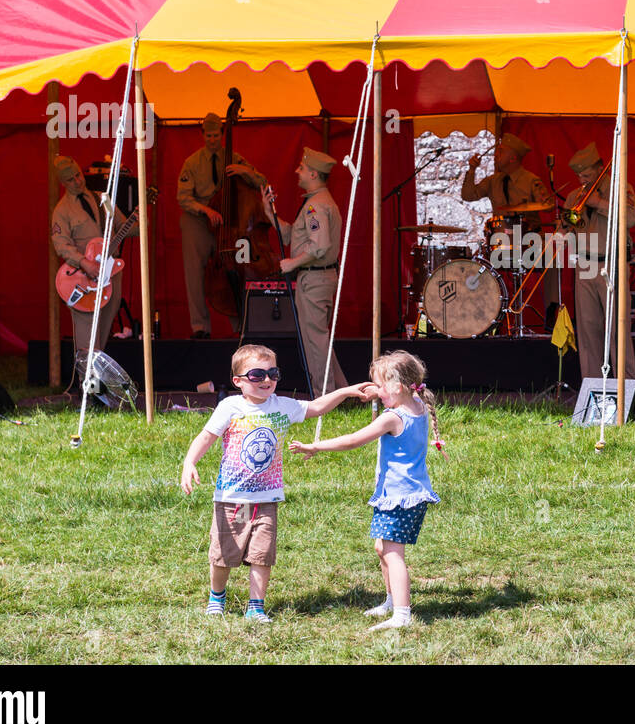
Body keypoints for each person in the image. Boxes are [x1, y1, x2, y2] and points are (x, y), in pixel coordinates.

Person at [180, 343, 374, 622]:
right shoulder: (230, 407)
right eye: (257, 375)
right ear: (238, 381)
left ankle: (255, 607)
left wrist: (344, 390)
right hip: (231, 498)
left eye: (273, 373)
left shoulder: (282, 406)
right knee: (223, 555)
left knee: (262, 555)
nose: (267, 380)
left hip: (267, 499)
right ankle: (217, 597)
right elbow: (206, 437)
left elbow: (317, 408)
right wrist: (189, 463)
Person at [291, 350, 442, 632]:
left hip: (400, 496)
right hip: (407, 493)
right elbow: (398, 391)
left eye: (381, 386)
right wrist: (379, 390)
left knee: (393, 553)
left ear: (398, 387)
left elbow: (352, 440)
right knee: (381, 547)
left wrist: (315, 446)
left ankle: (402, 613)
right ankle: (391, 599)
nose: (377, 391)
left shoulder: (392, 418)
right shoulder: (417, 403)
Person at [262, 147, 346, 393]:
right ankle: (341, 391)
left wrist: (293, 263)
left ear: (313, 174)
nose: (297, 171)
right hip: (319, 277)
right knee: (320, 340)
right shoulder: (316, 203)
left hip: (314, 279)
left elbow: (319, 246)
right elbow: (293, 235)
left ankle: (324, 397)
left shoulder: (315, 207)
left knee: (315, 342)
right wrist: (271, 213)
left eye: (301, 168)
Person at [177, 111, 268, 338]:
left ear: (222, 134)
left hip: (228, 225)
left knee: (235, 268)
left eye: (216, 135)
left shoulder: (235, 158)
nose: (212, 140)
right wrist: (206, 210)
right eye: (208, 135)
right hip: (200, 219)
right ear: (202, 135)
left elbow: (262, 181)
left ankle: (241, 325)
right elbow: (183, 197)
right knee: (195, 271)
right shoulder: (192, 162)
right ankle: (200, 327)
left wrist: (245, 171)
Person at [557, 143, 635, 380]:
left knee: (617, 328)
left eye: (587, 175)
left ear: (601, 168)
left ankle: (626, 384)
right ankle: (591, 384)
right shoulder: (574, 195)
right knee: (588, 328)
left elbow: (631, 217)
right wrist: (562, 228)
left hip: (612, 263)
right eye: (579, 176)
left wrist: (598, 204)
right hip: (585, 264)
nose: (583, 180)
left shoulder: (620, 187)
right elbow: (564, 231)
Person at [462, 132, 558, 323]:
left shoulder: (531, 181)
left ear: (513, 157)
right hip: (500, 242)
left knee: (552, 265)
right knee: (478, 268)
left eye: (501, 151)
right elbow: (468, 195)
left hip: (528, 240)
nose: (496, 155)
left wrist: (540, 202)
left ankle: (551, 314)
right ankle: (485, 318)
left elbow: (547, 204)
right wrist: (471, 170)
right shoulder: (493, 181)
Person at [51, 156, 137, 355]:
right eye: (71, 180)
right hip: (83, 276)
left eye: (78, 175)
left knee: (105, 320)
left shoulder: (102, 198)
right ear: (63, 183)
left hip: (110, 272)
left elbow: (124, 226)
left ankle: (96, 370)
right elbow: (61, 245)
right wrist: (83, 262)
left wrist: (140, 221)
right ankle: (86, 380)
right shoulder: (62, 211)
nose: (78, 181)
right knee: (87, 326)